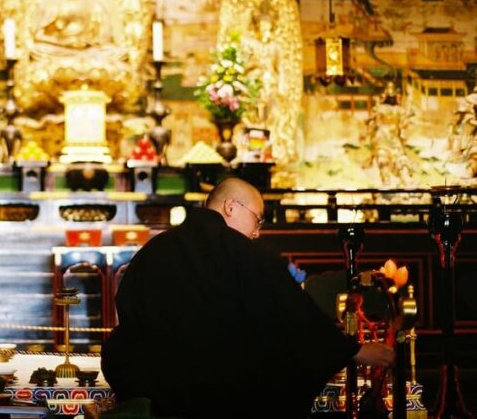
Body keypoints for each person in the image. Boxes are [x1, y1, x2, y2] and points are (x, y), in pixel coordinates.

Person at [101, 177, 394, 418]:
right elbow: (291, 314)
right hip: (221, 398)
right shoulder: (241, 254)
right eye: (257, 219)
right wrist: (350, 350)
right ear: (231, 207)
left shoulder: (154, 250)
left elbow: (128, 312)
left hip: (156, 393)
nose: (256, 232)